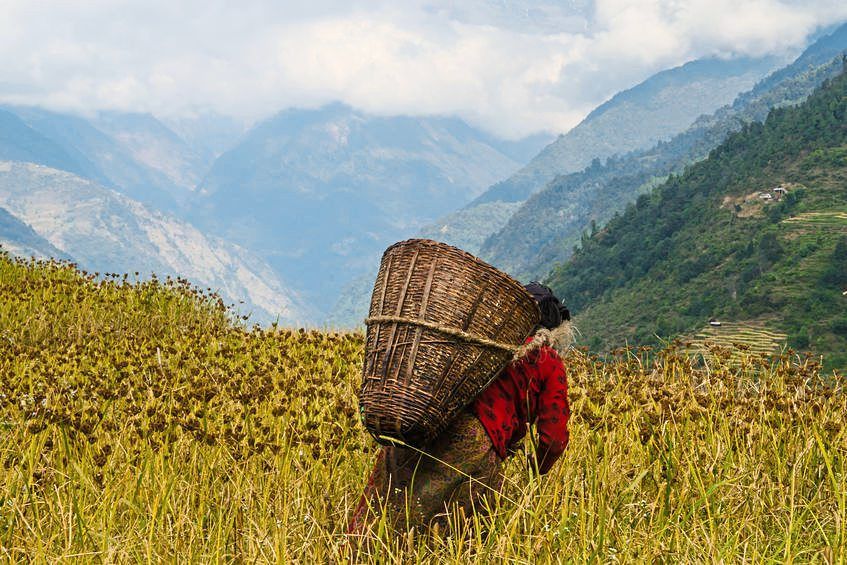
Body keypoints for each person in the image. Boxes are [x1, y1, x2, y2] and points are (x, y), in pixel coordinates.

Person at [347, 282, 572, 535]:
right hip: (474, 441)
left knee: (383, 504)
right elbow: (554, 437)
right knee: (448, 531)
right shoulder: (548, 361)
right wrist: (538, 466)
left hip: (424, 416)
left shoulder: (480, 338)